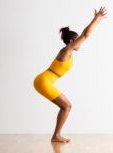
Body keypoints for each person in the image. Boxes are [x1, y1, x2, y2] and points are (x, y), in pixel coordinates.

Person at [33, 6, 107, 143]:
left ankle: (56, 135)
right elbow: (85, 34)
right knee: (66, 106)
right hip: (44, 80)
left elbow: (84, 36)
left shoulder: (69, 52)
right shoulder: (66, 50)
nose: (81, 42)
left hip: (44, 80)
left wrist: (98, 20)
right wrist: (96, 19)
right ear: (72, 41)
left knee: (66, 106)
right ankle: (56, 136)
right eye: (77, 40)